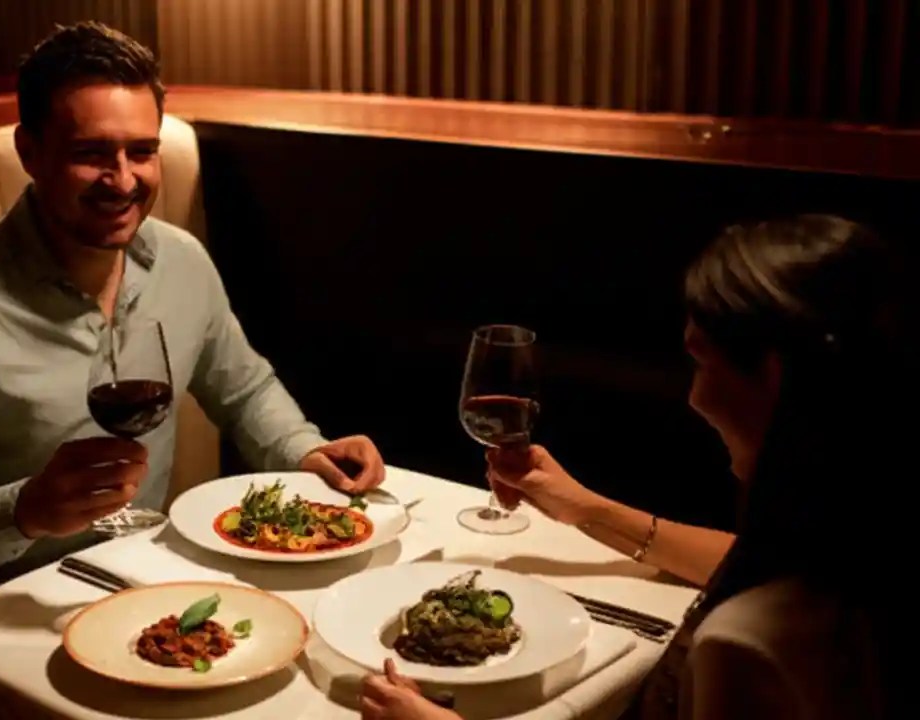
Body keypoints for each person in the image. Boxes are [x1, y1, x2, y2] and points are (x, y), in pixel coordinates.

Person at [0, 21, 385, 602]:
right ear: (29, 152)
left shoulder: (181, 261)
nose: (122, 180)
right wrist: (26, 510)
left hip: (141, 584)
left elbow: (244, 391)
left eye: (142, 152)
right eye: (91, 154)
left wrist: (305, 451)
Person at [362, 215, 908, 719]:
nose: (693, 397)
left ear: (773, 375)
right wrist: (589, 510)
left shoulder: (751, 644)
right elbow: (742, 557)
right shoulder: (855, 547)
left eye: (700, 362)